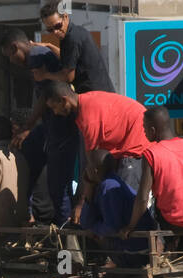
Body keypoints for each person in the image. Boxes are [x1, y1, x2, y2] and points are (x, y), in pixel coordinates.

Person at [42, 81, 148, 222]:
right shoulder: (84, 104)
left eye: (55, 107)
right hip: (122, 145)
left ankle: (136, 238)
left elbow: (92, 166)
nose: (55, 112)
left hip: (135, 144)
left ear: (64, 100)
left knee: (124, 202)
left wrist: (81, 204)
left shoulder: (88, 117)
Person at [119, 107, 183, 246]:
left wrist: (130, 227)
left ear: (153, 130)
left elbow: (143, 198)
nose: (143, 132)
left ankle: (172, 246)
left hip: (176, 224)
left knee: (155, 206)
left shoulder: (151, 154)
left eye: (144, 128)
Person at [0, 29, 73, 225]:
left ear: (15, 48)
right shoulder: (40, 54)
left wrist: (28, 126)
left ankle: (65, 231)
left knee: (58, 181)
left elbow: (45, 95)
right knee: (29, 152)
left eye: (9, 56)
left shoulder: (35, 57)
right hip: (50, 125)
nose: (11, 61)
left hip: (60, 124)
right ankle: (28, 212)